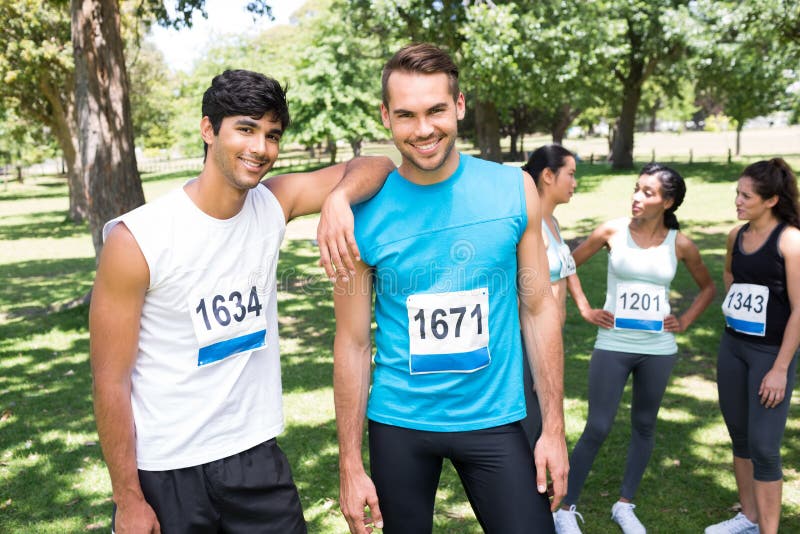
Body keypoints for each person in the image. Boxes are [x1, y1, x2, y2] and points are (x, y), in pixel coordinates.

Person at [89, 69, 394, 533]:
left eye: (272, 135)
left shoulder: (274, 203)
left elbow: (379, 163)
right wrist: (128, 498)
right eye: (246, 129)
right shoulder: (138, 240)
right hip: (168, 468)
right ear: (209, 129)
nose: (260, 148)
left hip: (256, 457)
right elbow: (110, 381)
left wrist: (337, 201)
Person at [332, 43, 568, 534]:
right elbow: (353, 343)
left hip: (495, 417)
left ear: (459, 106)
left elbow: (538, 308)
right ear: (386, 117)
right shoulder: (361, 216)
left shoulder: (513, 189)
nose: (423, 129)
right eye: (406, 115)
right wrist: (350, 465)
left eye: (436, 110)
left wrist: (554, 429)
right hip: (400, 422)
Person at [552, 163, 716, 534]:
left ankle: (625, 504)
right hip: (613, 343)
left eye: (648, 192)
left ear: (668, 202)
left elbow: (708, 287)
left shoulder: (682, 244)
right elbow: (564, 263)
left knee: (644, 424)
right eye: (636, 188)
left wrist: (686, 320)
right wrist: (584, 307)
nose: (637, 197)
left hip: (658, 348)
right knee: (598, 425)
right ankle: (564, 507)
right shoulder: (612, 230)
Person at [705, 159, 800, 534]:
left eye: (746, 196)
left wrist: (779, 368)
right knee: (740, 436)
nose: (738, 201)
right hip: (733, 348)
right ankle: (748, 516)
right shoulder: (736, 235)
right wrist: (734, 302)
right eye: (737, 194)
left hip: (769, 355)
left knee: (764, 446)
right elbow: (731, 273)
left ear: (771, 200)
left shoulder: (791, 241)